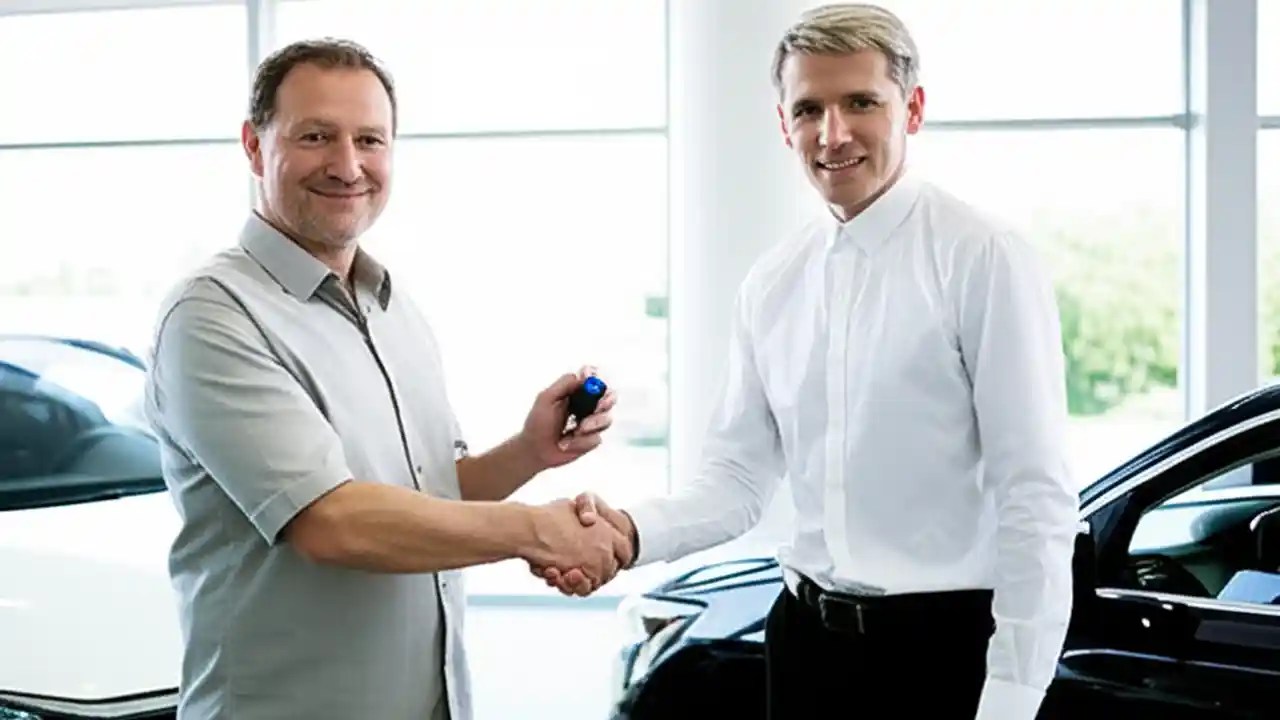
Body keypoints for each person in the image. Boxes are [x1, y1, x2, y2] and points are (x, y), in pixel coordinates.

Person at [539, 4, 1078, 719]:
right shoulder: (773, 282)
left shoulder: (983, 258)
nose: (833, 134)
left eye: (861, 102)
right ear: (782, 123)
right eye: (809, 108)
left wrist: (1012, 697)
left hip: (943, 653)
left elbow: (1034, 496)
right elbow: (735, 479)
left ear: (911, 109)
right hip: (805, 649)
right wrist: (630, 533)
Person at [143, 38, 627, 720]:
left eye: (370, 139)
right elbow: (331, 522)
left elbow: (430, 493)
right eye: (316, 136)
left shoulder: (394, 307)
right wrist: (535, 531)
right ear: (254, 147)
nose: (348, 166)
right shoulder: (212, 316)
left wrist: (529, 453)